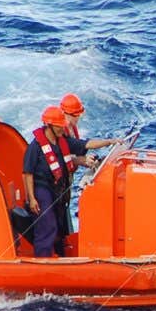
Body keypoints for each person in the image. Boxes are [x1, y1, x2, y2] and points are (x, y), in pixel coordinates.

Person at [54, 93, 123, 233]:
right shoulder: (60, 132)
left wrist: (84, 159)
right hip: (55, 183)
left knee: (63, 212)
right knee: (54, 217)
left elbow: (74, 149)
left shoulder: (71, 128)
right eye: (75, 115)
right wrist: (109, 142)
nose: (78, 118)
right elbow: (61, 155)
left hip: (66, 181)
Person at [22, 106, 76, 257]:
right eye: (59, 126)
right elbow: (27, 173)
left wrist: (110, 142)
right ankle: (43, 257)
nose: (62, 129)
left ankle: (58, 253)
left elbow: (83, 146)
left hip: (56, 189)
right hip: (41, 189)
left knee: (59, 224)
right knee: (47, 224)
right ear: (49, 126)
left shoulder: (61, 143)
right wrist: (32, 199)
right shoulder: (35, 147)